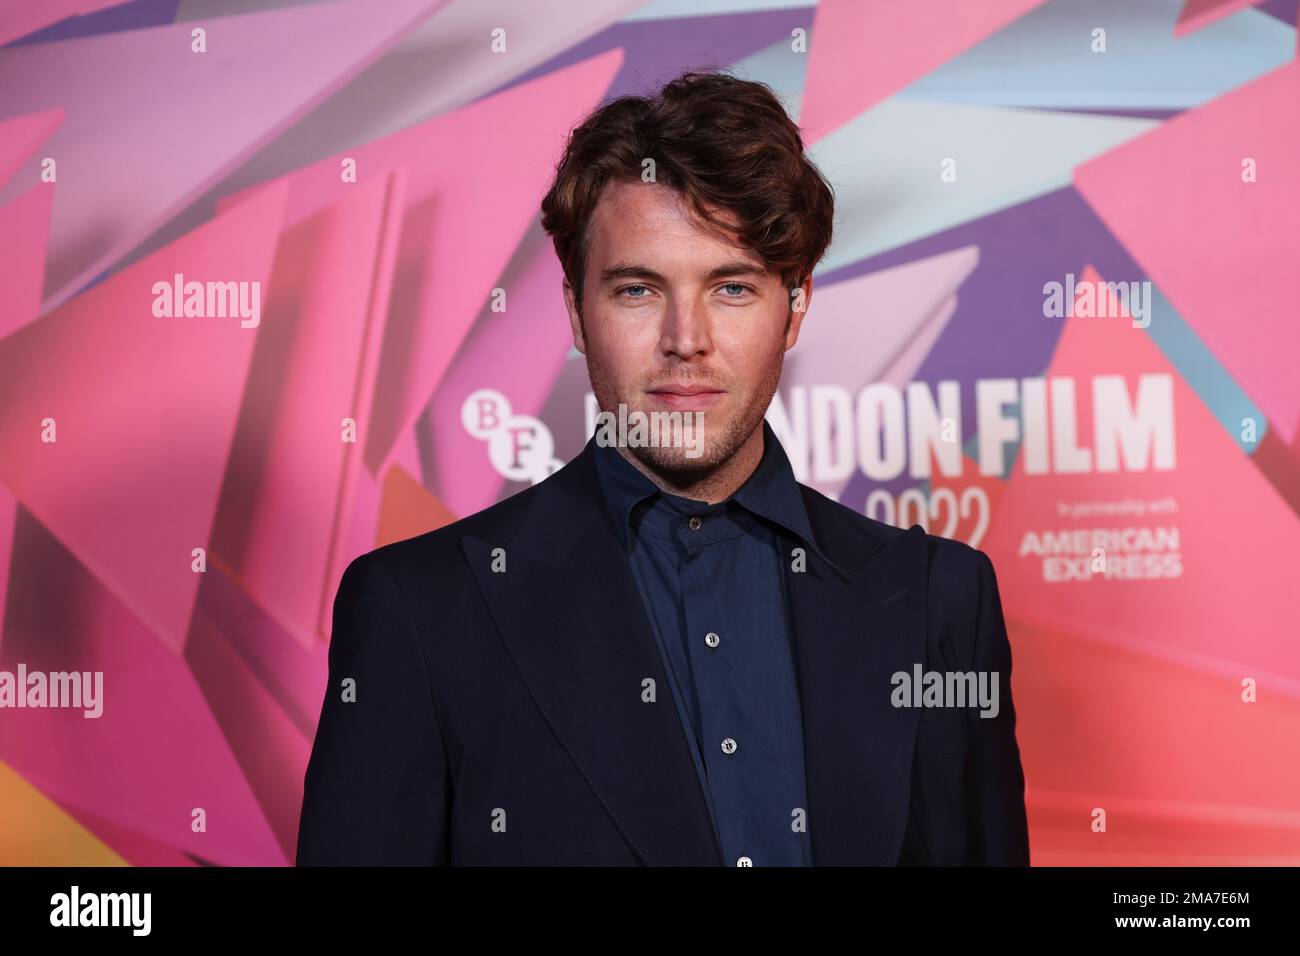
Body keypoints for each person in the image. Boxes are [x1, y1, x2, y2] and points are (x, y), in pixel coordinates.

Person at [297, 69, 1029, 866]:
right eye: (640, 290)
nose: (687, 337)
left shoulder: (938, 603)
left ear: (796, 305)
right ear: (578, 313)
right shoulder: (422, 613)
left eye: (733, 288)